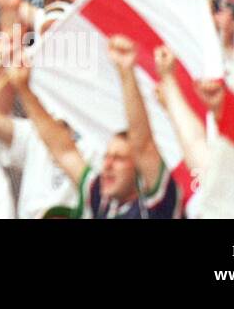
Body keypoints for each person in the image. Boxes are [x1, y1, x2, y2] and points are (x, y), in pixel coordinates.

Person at [10, 35, 182, 219]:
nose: (107, 165)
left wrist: (126, 73)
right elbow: (64, 151)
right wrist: (23, 89)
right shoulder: (103, 202)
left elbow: (144, 146)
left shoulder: (157, 206)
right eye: (107, 157)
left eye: (119, 158)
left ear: (138, 168)